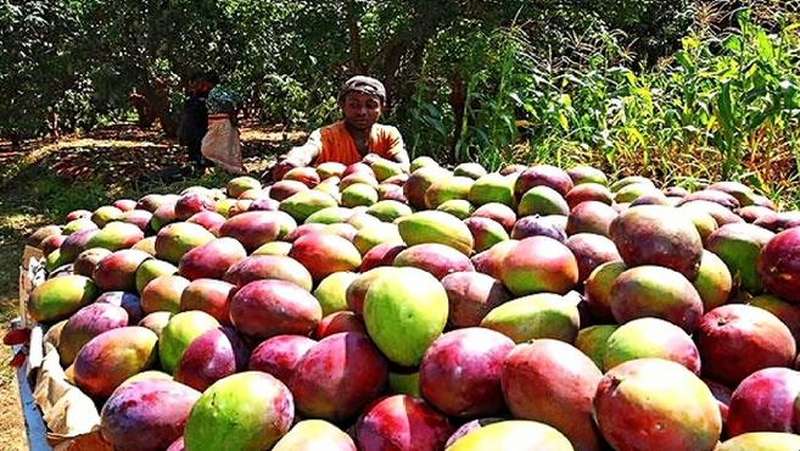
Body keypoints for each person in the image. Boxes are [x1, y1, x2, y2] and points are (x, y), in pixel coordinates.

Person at [268, 76, 410, 181]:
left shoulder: (388, 134)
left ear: (382, 107)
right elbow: (307, 150)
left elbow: (405, 168)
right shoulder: (326, 135)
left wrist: (377, 162)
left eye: (371, 105)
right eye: (354, 105)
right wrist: (294, 161)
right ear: (342, 105)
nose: (362, 112)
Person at [201, 77, 246, 174]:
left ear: (208, 82)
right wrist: (235, 114)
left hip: (220, 122)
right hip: (222, 121)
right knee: (228, 146)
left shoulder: (215, 92)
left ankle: (230, 168)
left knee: (208, 148)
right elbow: (239, 101)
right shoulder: (226, 90)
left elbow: (228, 103)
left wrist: (232, 115)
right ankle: (229, 168)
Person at [177, 72, 214, 175]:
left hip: (202, 128)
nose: (201, 86)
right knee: (193, 149)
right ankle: (195, 168)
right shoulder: (191, 98)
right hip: (192, 129)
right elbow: (187, 117)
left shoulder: (206, 98)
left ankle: (200, 168)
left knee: (201, 148)